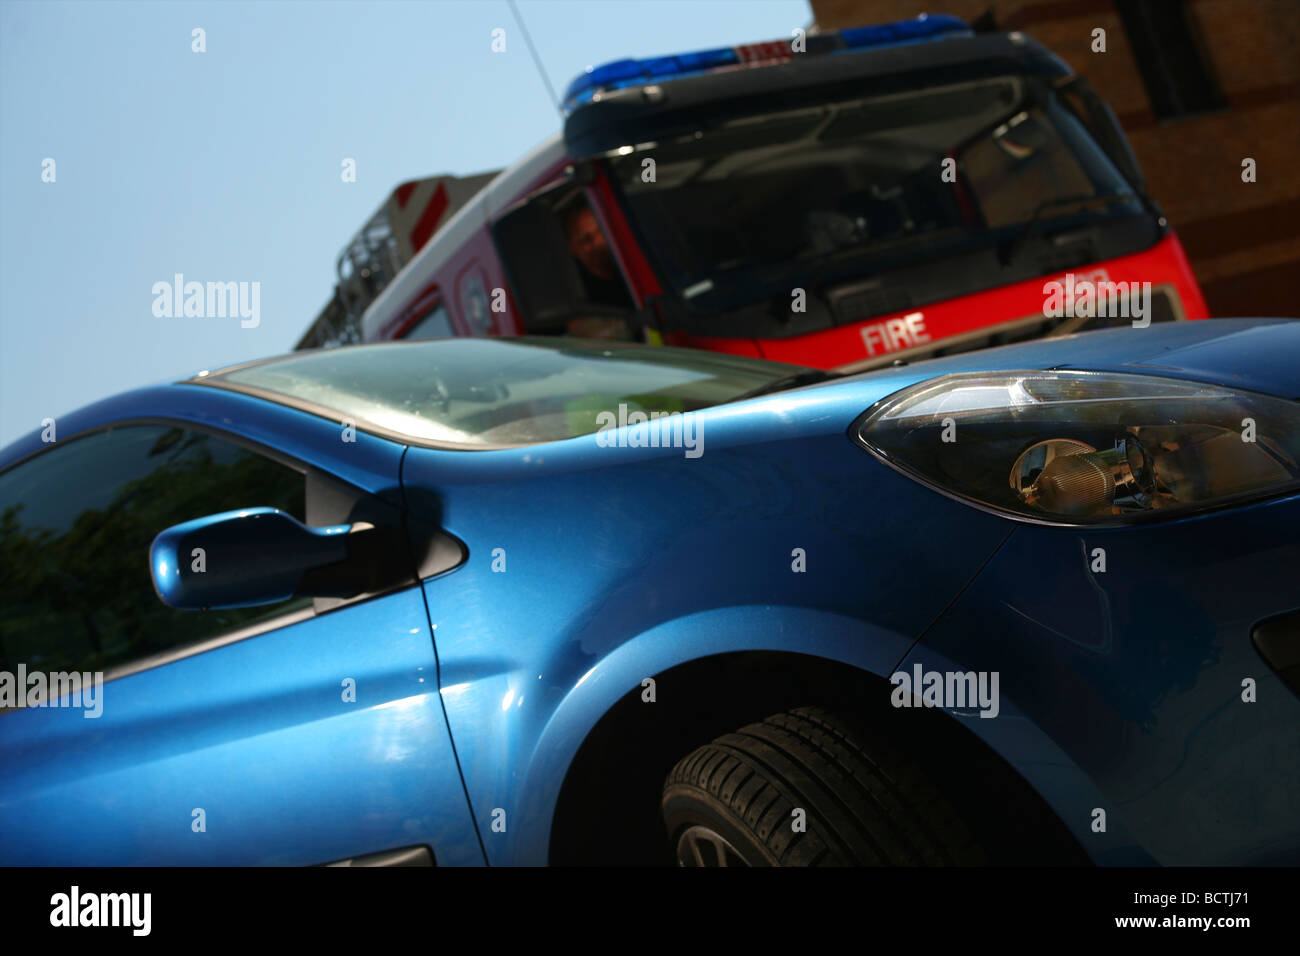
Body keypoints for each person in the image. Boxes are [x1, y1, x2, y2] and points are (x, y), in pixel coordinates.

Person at [563, 205, 635, 312]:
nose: (598, 243)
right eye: (586, 239)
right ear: (573, 248)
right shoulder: (580, 296)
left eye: (602, 231)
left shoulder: (635, 267)